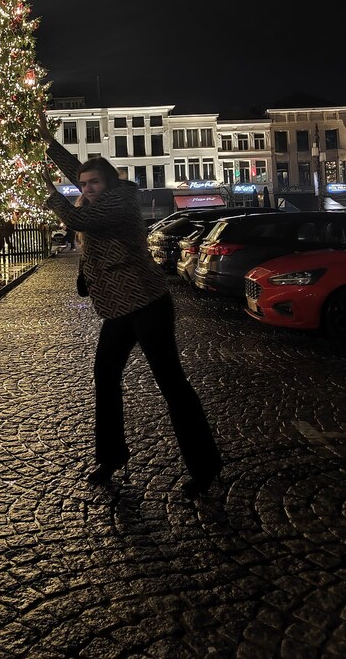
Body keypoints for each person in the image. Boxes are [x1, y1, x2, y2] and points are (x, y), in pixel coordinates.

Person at [37, 112, 223, 498]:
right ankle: (111, 455)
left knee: (171, 382)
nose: (86, 188)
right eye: (83, 184)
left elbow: (76, 218)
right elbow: (80, 171)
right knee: (105, 376)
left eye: (94, 183)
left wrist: (48, 191)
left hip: (147, 304)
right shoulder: (100, 194)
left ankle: (205, 466)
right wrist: (48, 143)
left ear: (109, 182)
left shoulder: (119, 203)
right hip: (117, 310)